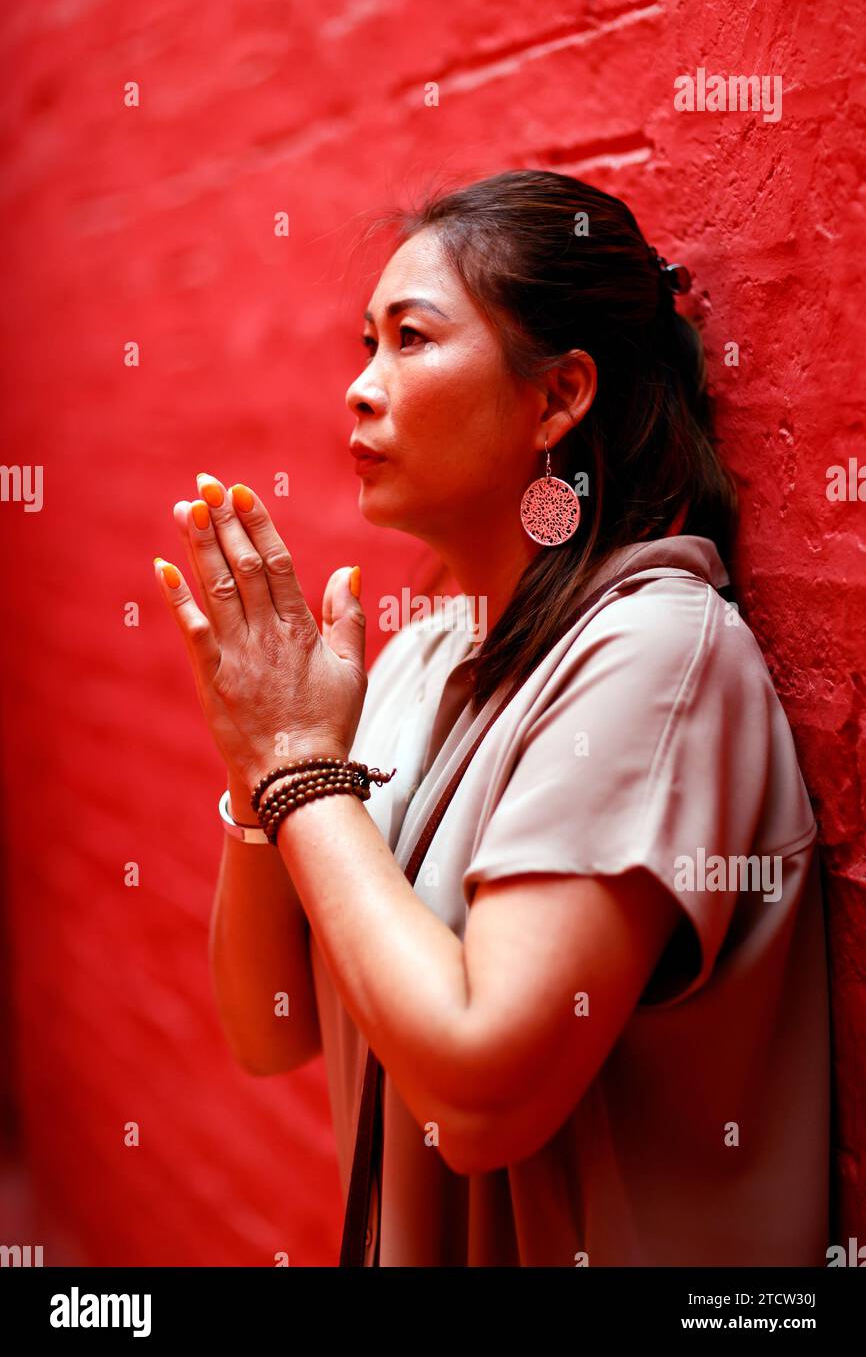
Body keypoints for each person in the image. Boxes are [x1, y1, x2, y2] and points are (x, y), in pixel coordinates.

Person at [154, 170, 830, 1267]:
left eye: (410, 340)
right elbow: (266, 1022)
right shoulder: (421, 657)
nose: (360, 390)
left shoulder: (656, 658)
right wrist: (258, 764)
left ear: (558, 397)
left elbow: (478, 1098)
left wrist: (295, 765)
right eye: (361, 346)